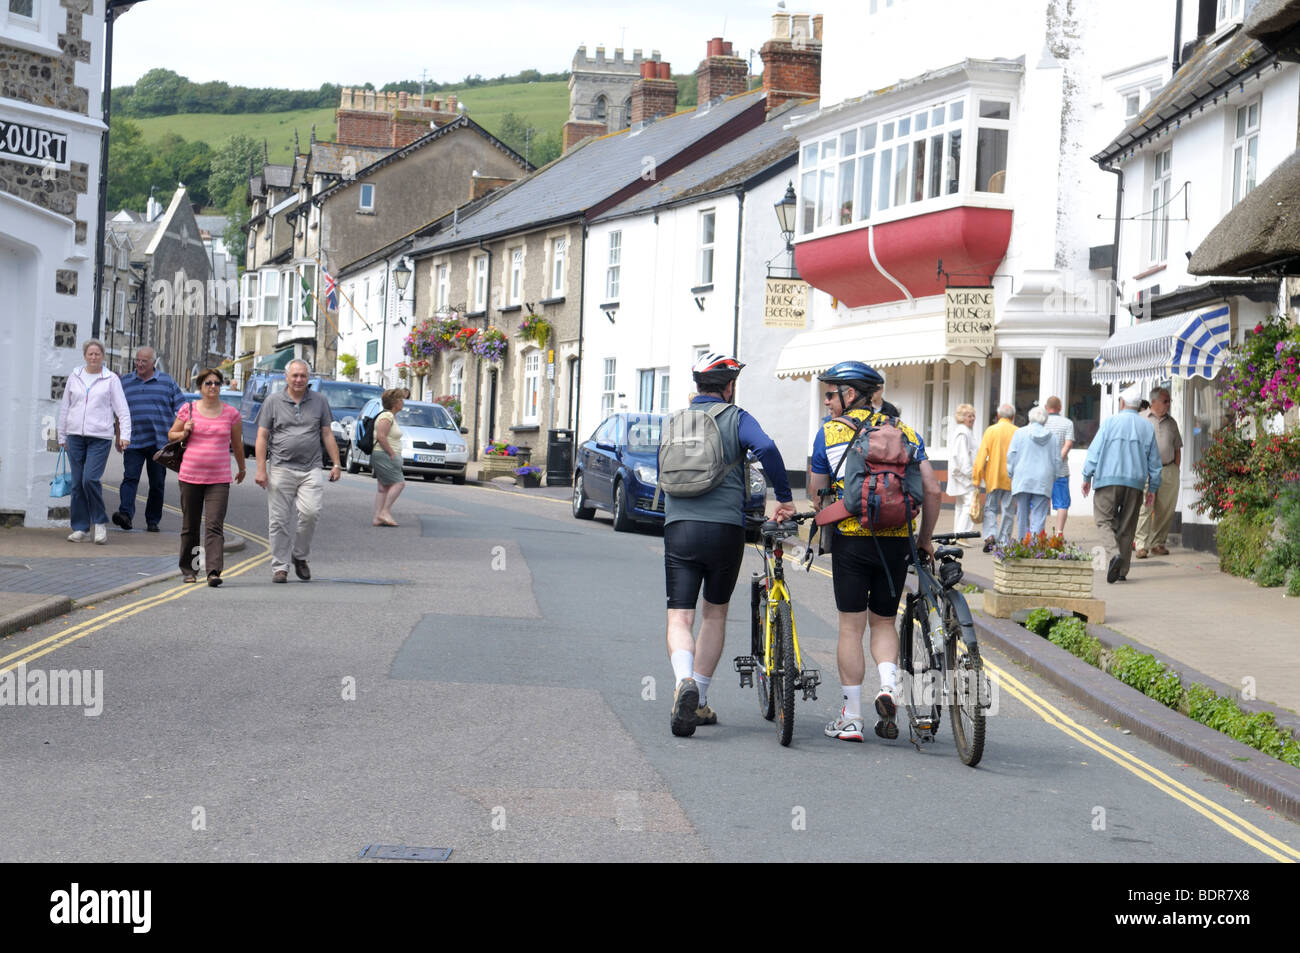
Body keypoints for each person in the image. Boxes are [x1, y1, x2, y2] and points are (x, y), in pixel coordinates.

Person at [664, 353, 795, 738]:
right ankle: (699, 698)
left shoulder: (675, 421)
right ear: (729, 387)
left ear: (698, 386)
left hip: (679, 527)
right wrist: (784, 498)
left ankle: (683, 680)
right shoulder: (737, 418)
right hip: (724, 530)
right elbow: (767, 449)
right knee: (714, 614)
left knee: (679, 617)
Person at [809, 361, 940, 743]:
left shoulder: (829, 433)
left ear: (851, 395)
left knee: (851, 627)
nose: (829, 401)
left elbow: (816, 492)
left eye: (831, 394)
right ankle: (887, 687)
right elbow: (931, 490)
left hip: (851, 538)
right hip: (895, 538)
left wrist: (823, 513)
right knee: (883, 621)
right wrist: (924, 539)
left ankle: (851, 718)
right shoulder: (905, 430)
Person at [253, 359, 342, 583]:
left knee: (311, 513)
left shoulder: (319, 401)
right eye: (295, 376)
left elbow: (327, 434)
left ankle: (299, 556)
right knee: (279, 520)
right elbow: (262, 436)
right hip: (281, 467)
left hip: (311, 467)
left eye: (303, 375)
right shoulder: (273, 401)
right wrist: (261, 469)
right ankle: (280, 566)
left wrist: (336, 463)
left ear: (308, 377)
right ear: (286, 377)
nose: (299, 379)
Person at [169, 368, 245, 586]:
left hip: (219, 478)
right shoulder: (188, 410)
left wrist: (242, 468)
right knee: (190, 525)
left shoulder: (231, 414)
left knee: (214, 525)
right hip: (190, 475)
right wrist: (184, 432)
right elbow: (171, 434)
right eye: (208, 383)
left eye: (217, 383)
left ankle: (213, 571)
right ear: (200, 387)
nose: (213, 387)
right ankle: (190, 570)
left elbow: (237, 444)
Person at [1081, 383, 1162, 584]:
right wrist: (1152, 487)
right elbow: (1155, 462)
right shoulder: (1147, 427)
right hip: (1135, 483)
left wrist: (1086, 476)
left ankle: (1114, 554)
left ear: (1122, 403)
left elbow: (1095, 451)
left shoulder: (1110, 423)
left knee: (1103, 520)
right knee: (1127, 526)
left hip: (1108, 479)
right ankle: (1122, 570)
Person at [57, 339, 130, 545]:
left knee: (90, 479)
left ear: (103, 356)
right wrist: (62, 436)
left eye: (97, 354)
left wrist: (124, 435)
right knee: (78, 484)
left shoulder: (111, 379)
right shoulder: (75, 377)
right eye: (90, 354)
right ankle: (80, 528)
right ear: (85, 356)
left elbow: (122, 410)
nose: (93, 357)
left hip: (100, 437)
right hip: (75, 436)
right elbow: (65, 407)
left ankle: (99, 523)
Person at [113, 346, 184, 533]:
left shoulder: (167, 382)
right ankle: (125, 515)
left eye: (144, 361)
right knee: (130, 478)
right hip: (133, 440)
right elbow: (119, 412)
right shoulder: (125, 382)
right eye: (137, 360)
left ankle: (153, 520)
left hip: (160, 442)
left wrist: (178, 432)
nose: (140, 364)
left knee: (157, 483)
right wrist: (119, 435)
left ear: (154, 362)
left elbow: (183, 409)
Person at [1135, 386, 1182, 558]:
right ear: (1153, 401)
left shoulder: (1172, 422)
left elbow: (1177, 448)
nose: (1168, 404)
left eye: (1169, 400)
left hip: (1169, 469)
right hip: (1147, 470)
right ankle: (1141, 545)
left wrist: (1175, 469)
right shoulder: (1140, 419)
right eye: (1165, 401)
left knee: (1166, 510)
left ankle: (1158, 543)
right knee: (1145, 508)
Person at [1006, 406, 1058, 538]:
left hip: (1022, 477)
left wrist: (1011, 473)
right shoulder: (1053, 437)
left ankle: (1022, 543)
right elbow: (1057, 460)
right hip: (1043, 479)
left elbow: (1011, 455)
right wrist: (1054, 477)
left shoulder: (1019, 433)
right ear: (1045, 420)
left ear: (1030, 417)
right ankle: (1034, 547)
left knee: (1022, 514)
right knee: (1039, 515)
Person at [972, 403, 1018, 552]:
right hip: (1012, 478)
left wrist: (977, 478)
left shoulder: (990, 431)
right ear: (1013, 417)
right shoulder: (1017, 432)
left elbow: (981, 456)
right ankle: (1003, 541)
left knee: (990, 508)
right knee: (1008, 510)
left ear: (998, 416)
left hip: (993, 477)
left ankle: (990, 535)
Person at [371, 388, 408, 527]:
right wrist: (392, 453)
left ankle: (377, 517)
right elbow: (381, 436)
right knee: (399, 483)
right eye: (401, 400)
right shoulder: (387, 417)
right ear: (395, 402)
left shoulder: (389, 416)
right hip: (384, 454)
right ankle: (384, 512)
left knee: (383, 487)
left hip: (381, 453)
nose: (403, 402)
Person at [1043, 396, 1075, 535]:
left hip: (1042, 470)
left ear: (1046, 407)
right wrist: (1058, 460)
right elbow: (1068, 444)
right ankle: (1059, 532)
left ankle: (1038, 532)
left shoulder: (1041, 423)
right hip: (1061, 470)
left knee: (1040, 501)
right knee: (1062, 503)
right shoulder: (1067, 423)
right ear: (1060, 407)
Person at [948, 403, 977, 536]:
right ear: (961, 418)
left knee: (960, 505)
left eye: (973, 416)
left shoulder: (964, 431)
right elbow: (962, 457)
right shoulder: (963, 432)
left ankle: (956, 534)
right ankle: (961, 534)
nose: (972, 418)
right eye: (968, 416)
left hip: (960, 475)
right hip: (963, 476)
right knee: (970, 504)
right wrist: (972, 475)